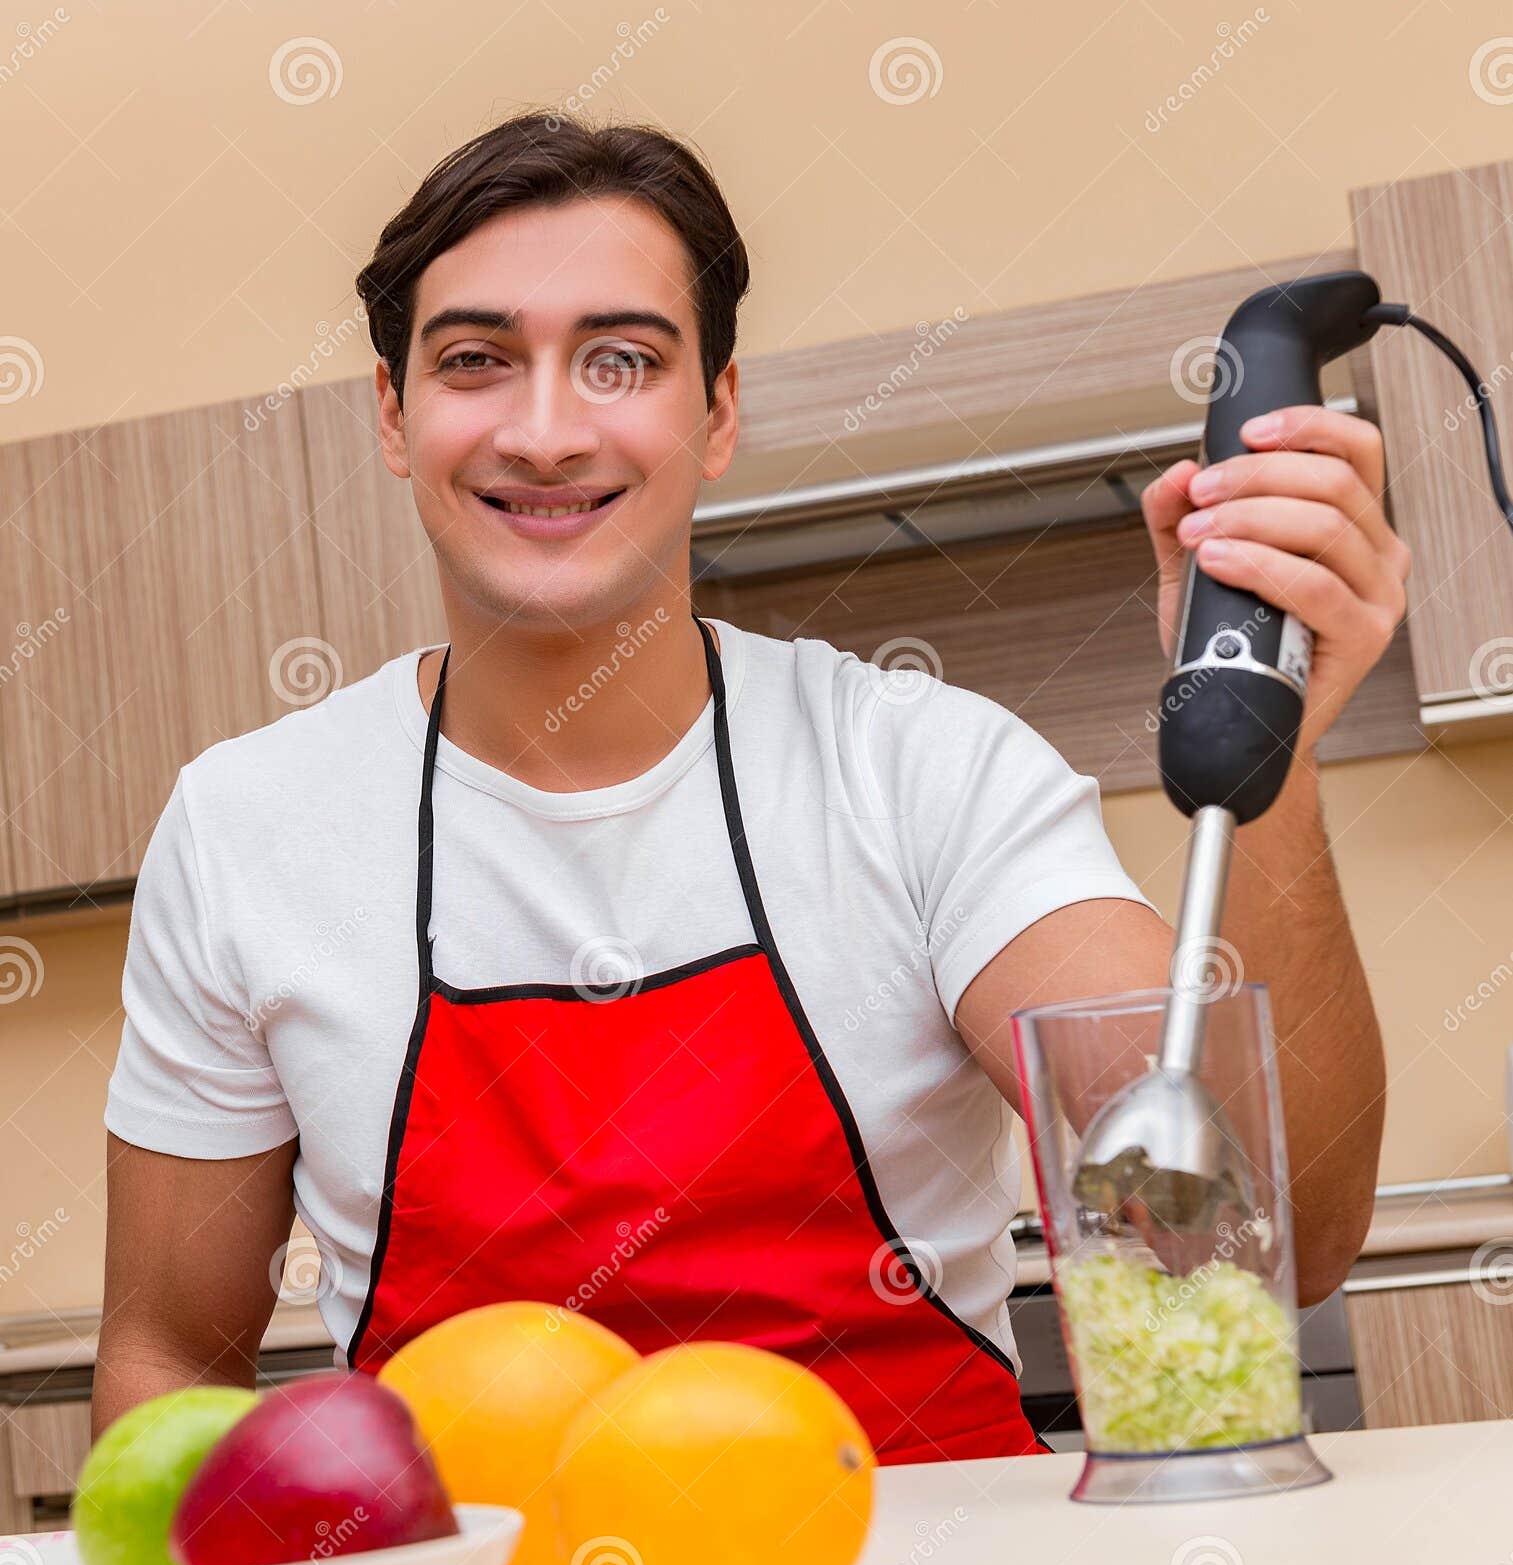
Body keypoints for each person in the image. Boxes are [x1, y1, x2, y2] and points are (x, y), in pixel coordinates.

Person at [95, 112, 1405, 1462]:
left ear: (716, 413)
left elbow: (1272, 1229)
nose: (544, 432)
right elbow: (169, 1352)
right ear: (393, 414)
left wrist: (1273, 753)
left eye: (621, 360)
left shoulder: (919, 771)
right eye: (477, 360)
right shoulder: (248, 825)